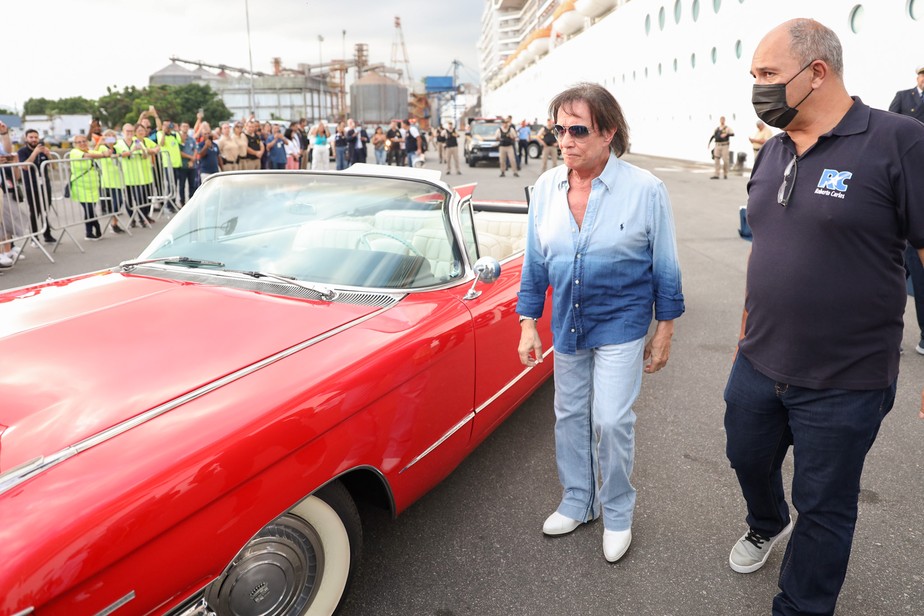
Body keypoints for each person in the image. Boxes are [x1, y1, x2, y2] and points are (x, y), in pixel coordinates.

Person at [725, 19, 924, 616]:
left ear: (818, 72)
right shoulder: (775, 149)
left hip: (847, 379)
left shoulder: (899, 140)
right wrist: (743, 332)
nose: (756, 89)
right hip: (758, 362)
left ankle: (801, 606)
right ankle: (766, 520)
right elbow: (766, 246)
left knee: (826, 505)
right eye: (753, 76)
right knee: (745, 458)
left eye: (767, 75)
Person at [516, 82, 684, 564]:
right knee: (569, 416)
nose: (565, 140)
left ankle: (616, 511)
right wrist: (528, 321)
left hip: (622, 323)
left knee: (610, 420)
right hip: (568, 321)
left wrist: (665, 329)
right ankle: (577, 501)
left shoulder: (645, 189)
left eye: (577, 130)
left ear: (608, 132)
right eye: (558, 129)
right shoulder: (547, 186)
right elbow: (535, 261)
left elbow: (666, 264)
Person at [888, 66, 924, 354]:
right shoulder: (903, 98)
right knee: (890, 274)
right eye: (922, 75)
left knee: (919, 280)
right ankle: (887, 335)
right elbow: (889, 132)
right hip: (900, 189)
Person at [17, 129, 56, 243]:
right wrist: (35, 153)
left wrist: (48, 155)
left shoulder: (43, 150)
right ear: (26, 138)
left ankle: (47, 235)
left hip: (45, 184)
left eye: (36, 137)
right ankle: (34, 237)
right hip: (31, 185)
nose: (34, 139)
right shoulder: (22, 151)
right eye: (31, 137)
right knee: (35, 211)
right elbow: (25, 166)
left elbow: (53, 167)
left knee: (45, 210)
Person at [68, 134, 106, 240]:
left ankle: (89, 232)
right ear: (75, 144)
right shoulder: (75, 152)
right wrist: (102, 155)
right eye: (79, 142)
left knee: (90, 210)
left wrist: (107, 148)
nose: (82, 143)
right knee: (89, 209)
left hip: (92, 186)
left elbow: (102, 153)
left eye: (84, 141)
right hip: (81, 186)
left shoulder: (89, 151)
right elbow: (89, 156)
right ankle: (95, 229)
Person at [94, 129, 127, 234]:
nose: (110, 137)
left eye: (112, 136)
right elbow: (94, 153)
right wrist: (100, 141)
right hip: (108, 180)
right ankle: (113, 223)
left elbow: (124, 153)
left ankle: (114, 223)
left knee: (119, 201)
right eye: (108, 136)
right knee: (116, 201)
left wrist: (119, 154)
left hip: (119, 179)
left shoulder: (117, 148)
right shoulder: (102, 147)